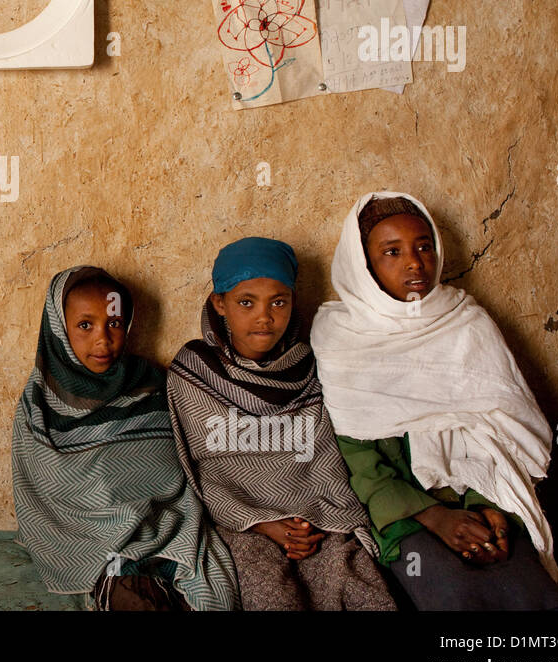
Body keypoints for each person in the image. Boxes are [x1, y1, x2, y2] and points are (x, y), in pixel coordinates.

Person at [312, 192, 558, 610]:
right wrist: (436, 517)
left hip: (487, 493)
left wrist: (489, 510)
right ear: (364, 267)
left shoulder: (466, 322)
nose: (414, 263)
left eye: (424, 246)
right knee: (449, 592)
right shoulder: (341, 340)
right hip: (404, 514)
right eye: (392, 252)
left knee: (532, 592)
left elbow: (508, 434)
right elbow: (360, 462)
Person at [168, 238, 395, 610]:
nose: (264, 316)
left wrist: (307, 523)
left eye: (278, 301)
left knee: (354, 582)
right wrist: (261, 523)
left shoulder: (311, 366)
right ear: (219, 303)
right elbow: (205, 470)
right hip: (240, 524)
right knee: (268, 591)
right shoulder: (195, 371)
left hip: (318, 517)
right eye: (246, 302)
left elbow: (324, 458)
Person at [12, 265, 239, 611]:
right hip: (91, 539)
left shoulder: (149, 383)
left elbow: (174, 464)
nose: (103, 339)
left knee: (202, 584)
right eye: (85, 325)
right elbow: (43, 490)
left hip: (165, 527)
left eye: (114, 323)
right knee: (125, 582)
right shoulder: (41, 404)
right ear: (58, 328)